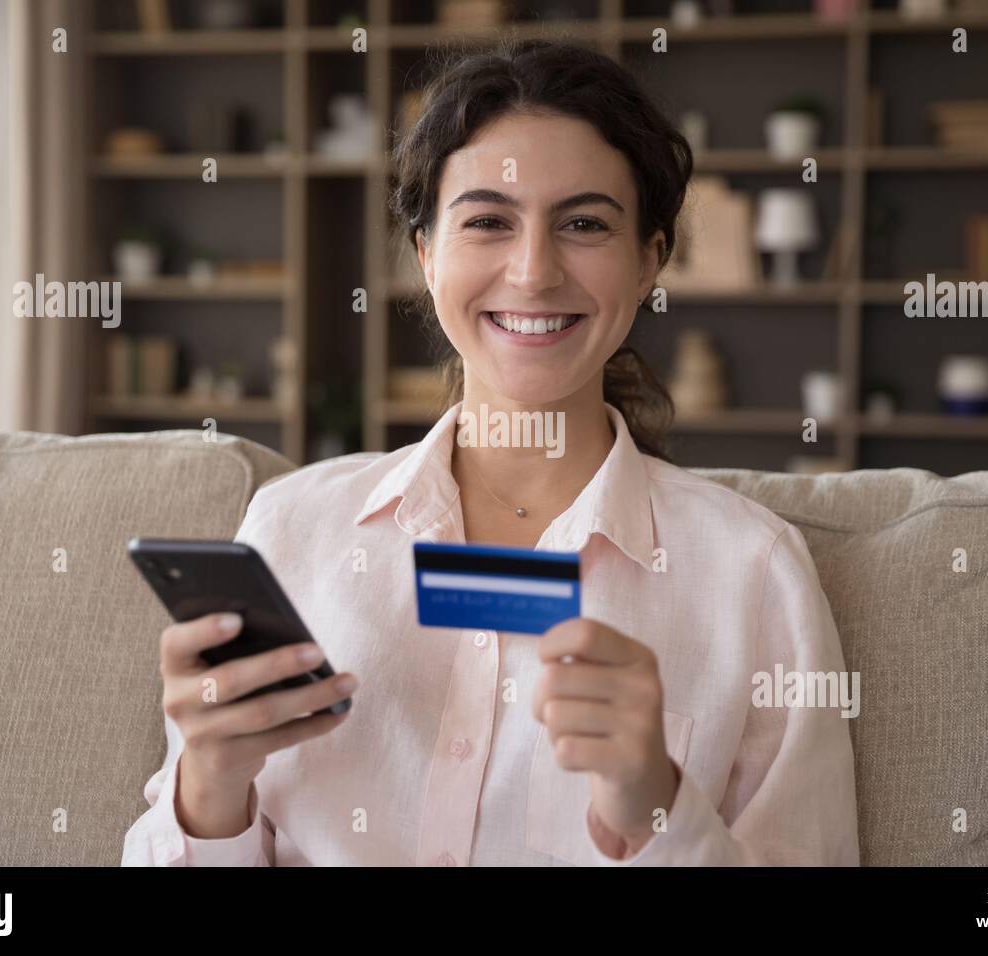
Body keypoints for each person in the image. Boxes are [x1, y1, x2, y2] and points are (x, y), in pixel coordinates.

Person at [122, 37, 859, 867]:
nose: (534, 271)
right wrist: (209, 789)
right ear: (427, 253)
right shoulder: (292, 533)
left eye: (584, 223)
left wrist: (659, 811)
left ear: (652, 258)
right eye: (487, 222)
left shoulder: (752, 574)